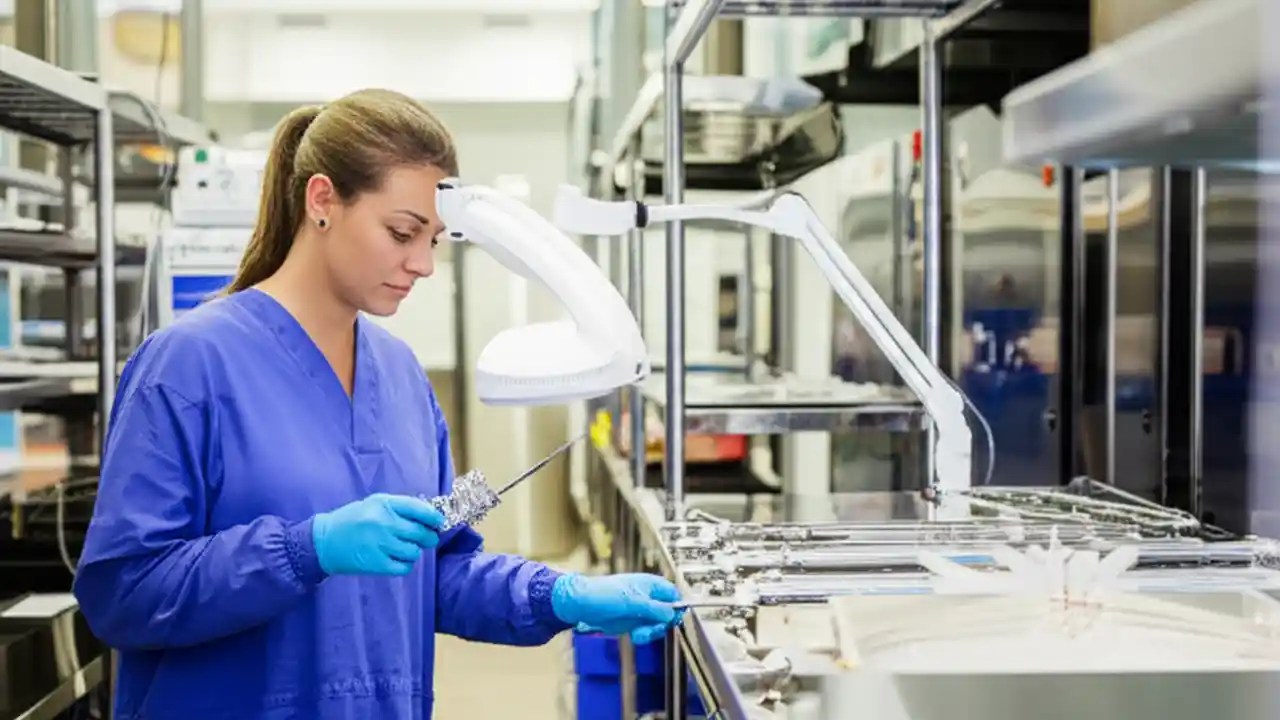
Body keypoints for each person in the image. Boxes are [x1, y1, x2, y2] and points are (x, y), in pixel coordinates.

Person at [72, 88, 683, 720]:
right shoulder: (189, 364)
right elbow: (125, 593)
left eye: (435, 240)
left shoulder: (399, 375)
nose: (421, 264)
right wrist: (305, 550)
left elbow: (434, 576)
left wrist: (562, 595)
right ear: (322, 201)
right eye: (401, 232)